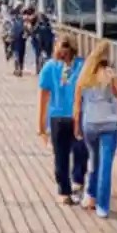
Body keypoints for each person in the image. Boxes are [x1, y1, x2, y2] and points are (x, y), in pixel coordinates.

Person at [73, 41, 117, 218]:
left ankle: (90, 195)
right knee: (105, 166)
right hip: (109, 126)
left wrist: (77, 126)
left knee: (95, 161)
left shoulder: (83, 76)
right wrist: (114, 82)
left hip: (89, 125)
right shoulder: (109, 75)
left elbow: (77, 107)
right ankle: (102, 205)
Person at [37, 36, 86, 205]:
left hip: (68, 117)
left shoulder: (77, 66)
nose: (61, 52)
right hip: (67, 117)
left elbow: (43, 97)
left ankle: (71, 185)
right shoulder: (55, 67)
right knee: (69, 155)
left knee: (71, 154)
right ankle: (70, 187)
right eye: (60, 48)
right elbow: (44, 96)